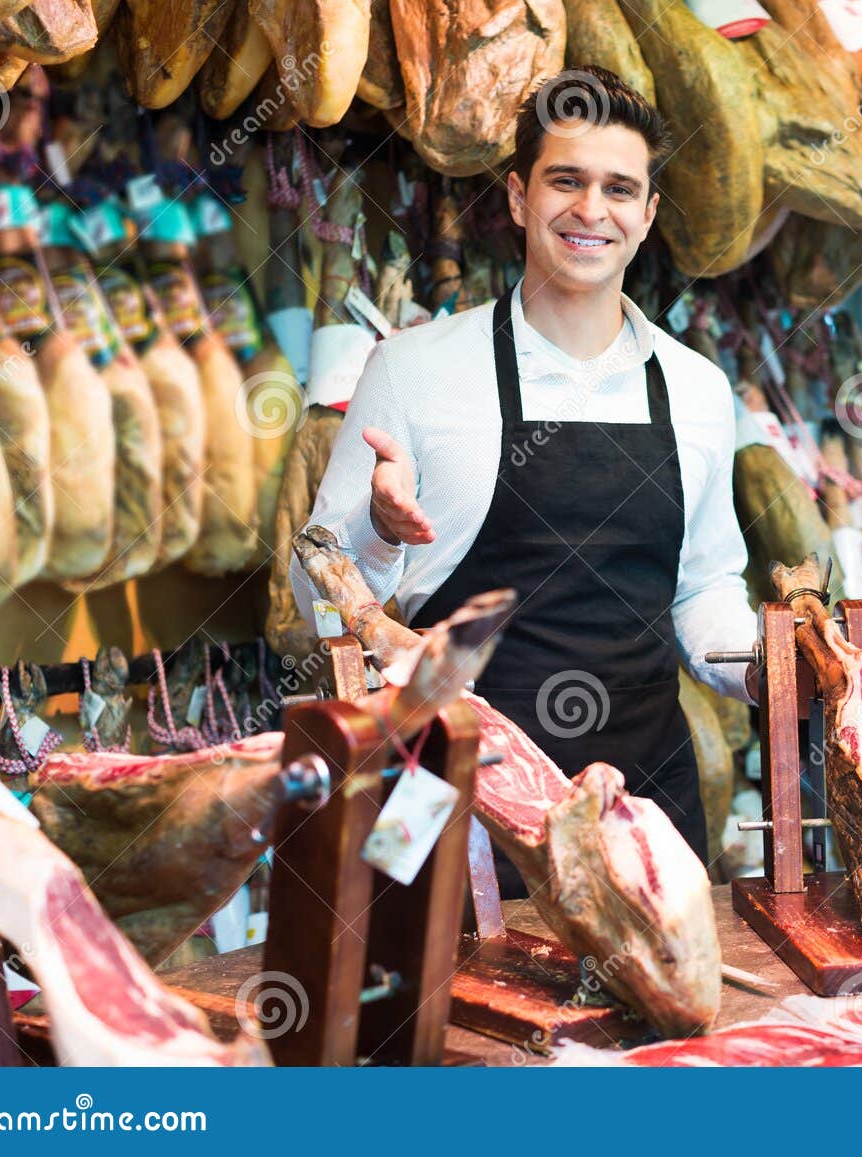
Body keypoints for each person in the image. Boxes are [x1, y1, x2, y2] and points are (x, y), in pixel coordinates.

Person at [293, 66, 758, 897]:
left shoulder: (697, 389)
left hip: (644, 808)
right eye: (565, 181)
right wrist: (377, 531)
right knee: (418, 978)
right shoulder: (412, 369)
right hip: (442, 800)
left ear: (648, 215)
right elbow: (317, 598)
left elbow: (703, 589)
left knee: (664, 984)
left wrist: (767, 669)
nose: (591, 210)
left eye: (620, 188)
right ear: (517, 197)